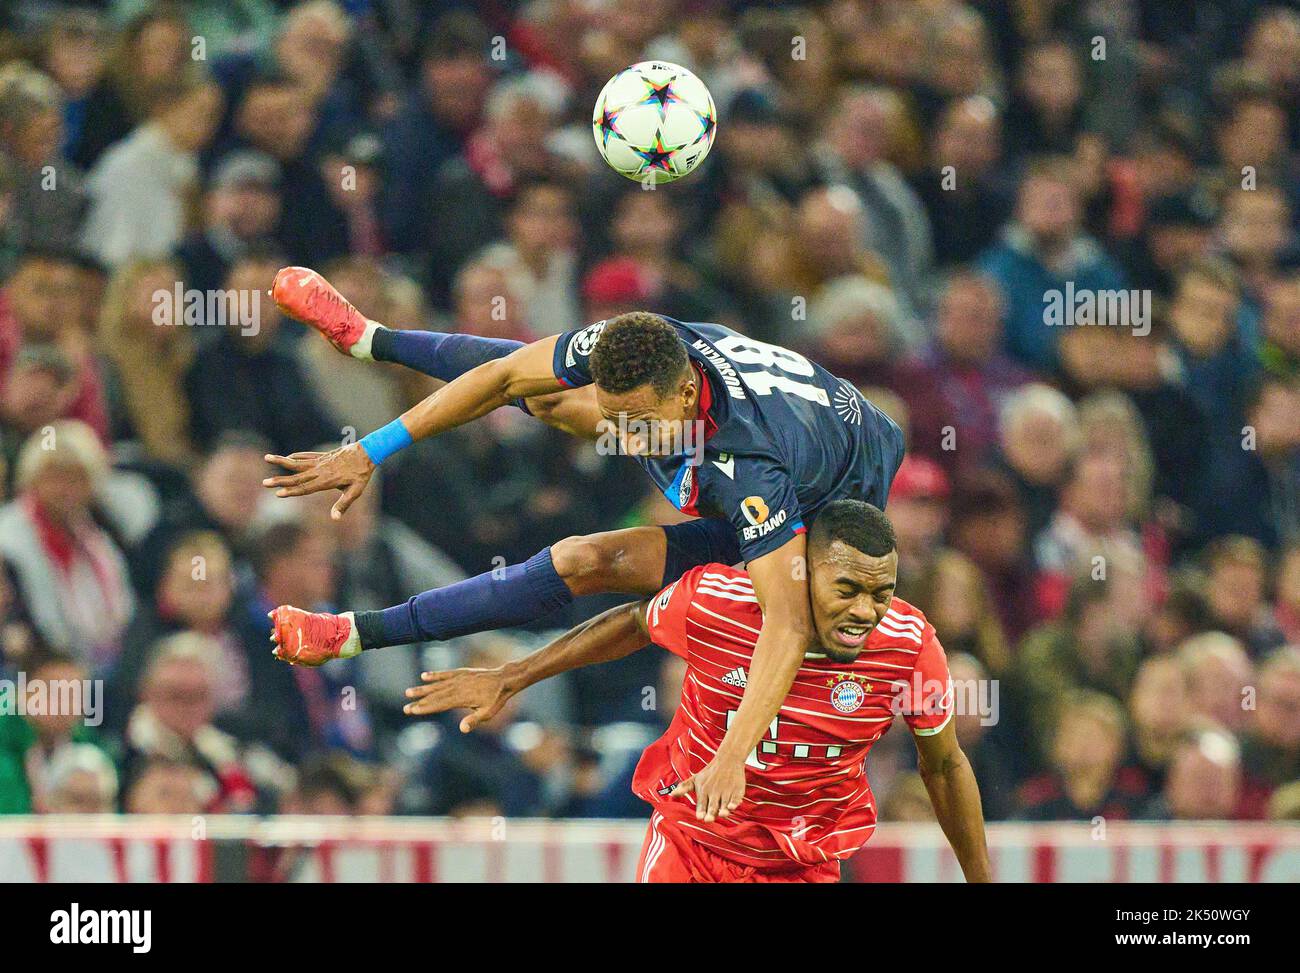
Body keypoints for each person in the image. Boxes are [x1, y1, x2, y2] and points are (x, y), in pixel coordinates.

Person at [262, 265, 906, 820]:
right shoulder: (635, 344)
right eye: (618, 421)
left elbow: (784, 625)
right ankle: (370, 340)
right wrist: (370, 450)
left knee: (639, 585)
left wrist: (731, 757)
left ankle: (356, 633)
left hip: (825, 502)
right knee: (547, 413)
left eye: (640, 424)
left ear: (686, 392)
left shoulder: (753, 473)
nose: (625, 441)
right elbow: (504, 376)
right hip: (772, 424)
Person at [388, 500, 989, 882]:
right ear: (803, 572)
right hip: (694, 847)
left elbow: (944, 766)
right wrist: (514, 674)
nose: (865, 612)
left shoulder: (910, 646)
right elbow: (632, 621)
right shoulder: (716, 602)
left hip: (800, 864)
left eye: (881, 593)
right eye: (848, 589)